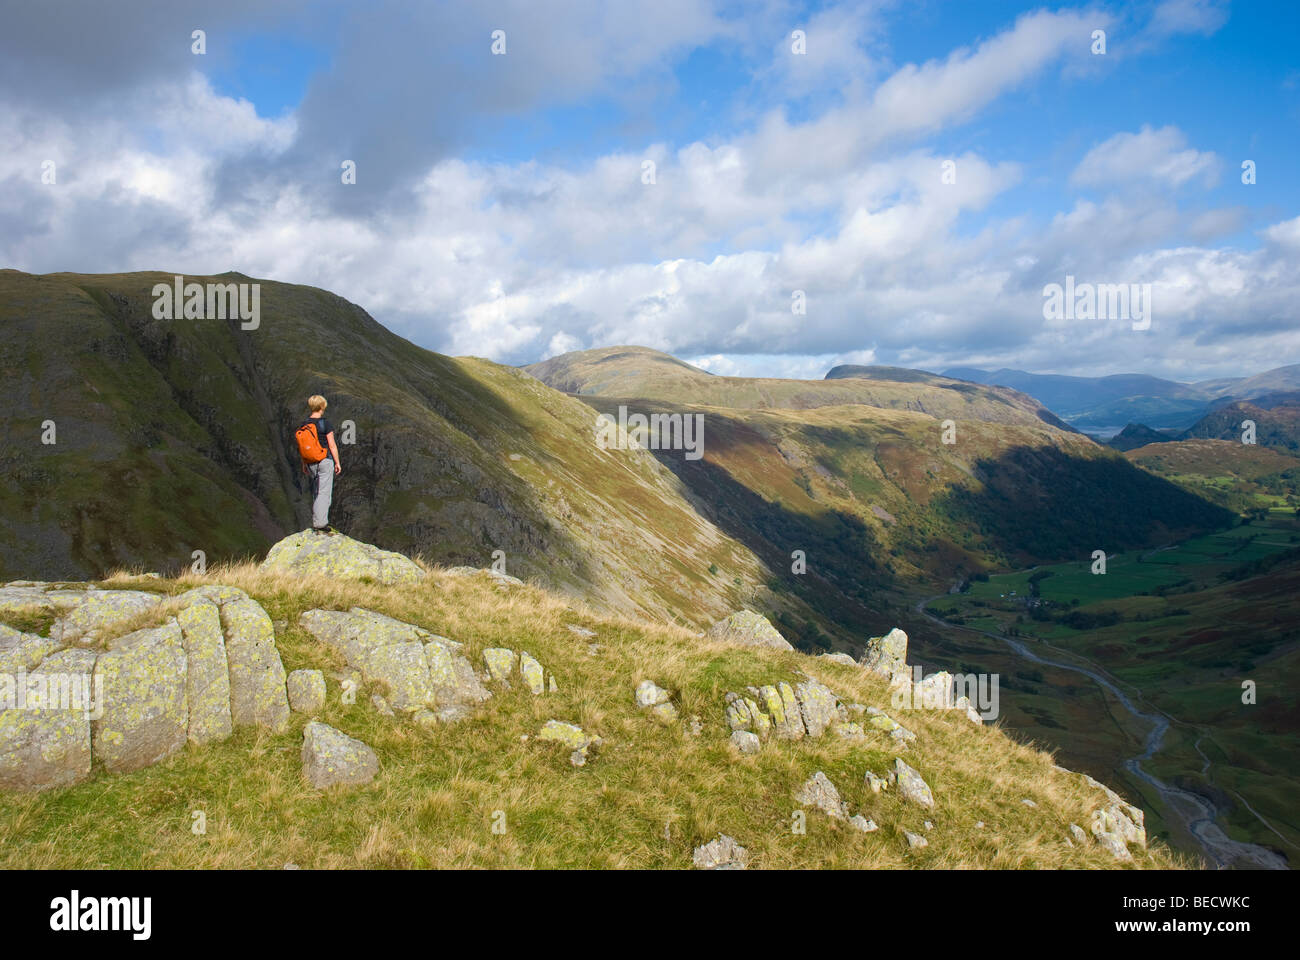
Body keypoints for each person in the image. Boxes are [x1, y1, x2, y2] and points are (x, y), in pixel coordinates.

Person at [295, 395, 341, 534]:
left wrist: (304, 463)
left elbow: (303, 446)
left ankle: (317, 520)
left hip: (310, 462)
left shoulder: (304, 424)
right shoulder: (325, 423)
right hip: (324, 460)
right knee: (324, 492)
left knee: (317, 490)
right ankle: (321, 523)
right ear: (322, 406)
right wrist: (337, 462)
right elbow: (332, 445)